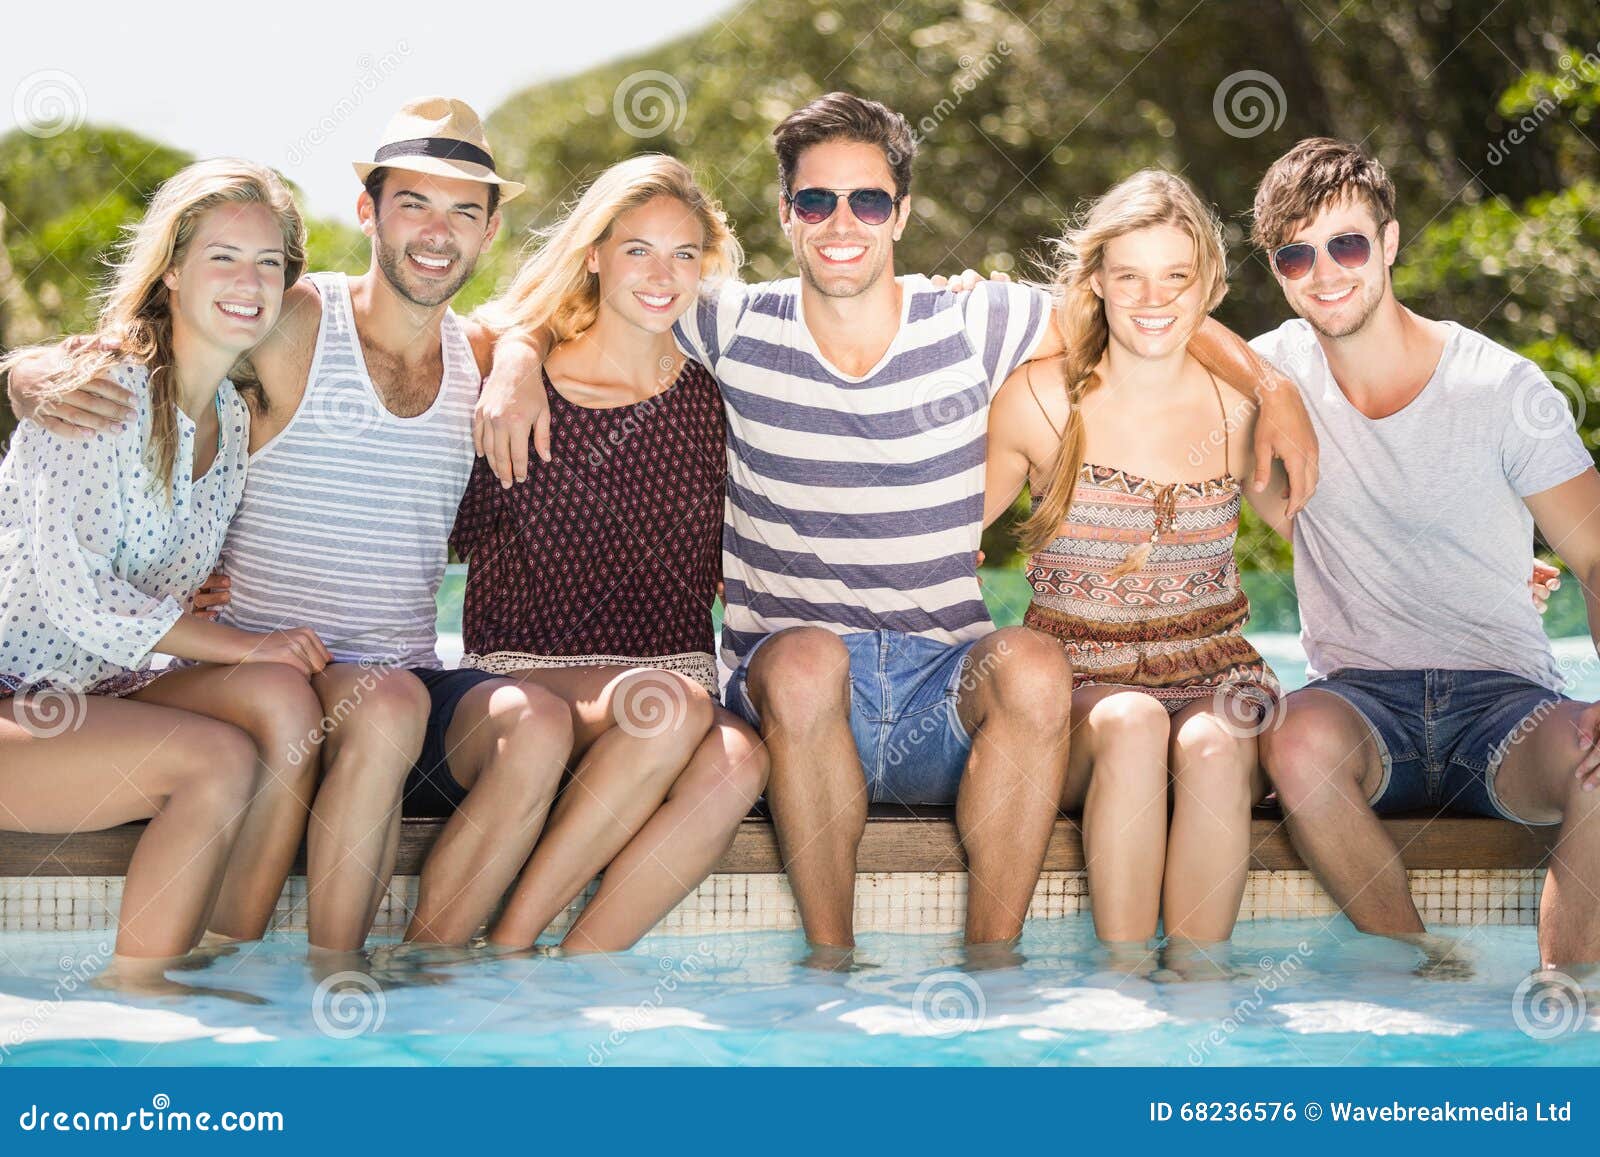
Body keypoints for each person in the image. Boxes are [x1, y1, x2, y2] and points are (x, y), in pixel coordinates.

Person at [474, 92, 1324, 956]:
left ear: (902, 214)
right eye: (817, 201)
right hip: (793, 686)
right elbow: (594, 293)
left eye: (868, 201)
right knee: (808, 660)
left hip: (940, 688)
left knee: (1033, 661)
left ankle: (992, 959)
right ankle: (830, 960)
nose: (842, 222)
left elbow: (1144, 311)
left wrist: (1273, 387)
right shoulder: (728, 321)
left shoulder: (980, 321)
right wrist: (516, 356)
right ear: (787, 214)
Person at [7, 98, 574, 954]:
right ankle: (250, 974)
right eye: (414, 201)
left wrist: (523, 358)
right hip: (87, 691)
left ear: (491, 230)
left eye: (464, 209)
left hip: (217, 679)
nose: (436, 229)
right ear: (369, 211)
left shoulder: (469, 362)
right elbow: (147, 358)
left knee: (433, 710)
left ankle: (329, 972)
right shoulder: (276, 328)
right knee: (304, 721)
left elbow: (532, 322)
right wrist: (20, 367)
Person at [1247, 138, 1600, 971]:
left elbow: (1593, 551)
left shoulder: (1501, 389)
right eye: (1296, 254)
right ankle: (1422, 963)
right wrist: (1266, 390)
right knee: (1290, 737)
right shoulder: (1271, 369)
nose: (1324, 273)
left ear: (1391, 242)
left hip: (1506, 705)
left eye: (1347, 244)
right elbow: (1147, 329)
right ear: (1277, 269)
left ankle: (1561, 1003)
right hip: (1361, 703)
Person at [0, 159, 328, 986]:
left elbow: (147, 594)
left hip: (99, 693)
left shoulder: (229, 421)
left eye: (269, 263)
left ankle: (226, 961)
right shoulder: (100, 388)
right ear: (173, 271)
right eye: (224, 257)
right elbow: (79, 597)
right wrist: (242, 644)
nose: (250, 281)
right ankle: (136, 997)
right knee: (216, 759)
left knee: (286, 700)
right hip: (14, 698)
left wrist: (208, 618)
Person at [450, 154, 767, 953]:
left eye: (684, 255)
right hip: (522, 687)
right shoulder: (507, 381)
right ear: (593, 253)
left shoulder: (713, 395)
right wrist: (521, 352)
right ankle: (510, 946)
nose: (663, 275)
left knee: (740, 762)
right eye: (638, 250)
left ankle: (574, 967)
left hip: (675, 688)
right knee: (674, 708)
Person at [985, 169, 1278, 955]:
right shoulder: (1042, 400)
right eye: (1131, 277)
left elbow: (1335, 531)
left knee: (1215, 742)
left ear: (1209, 284)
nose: (1155, 300)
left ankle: (1197, 983)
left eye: (1177, 277)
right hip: (1083, 687)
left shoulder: (1240, 409)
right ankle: (1120, 984)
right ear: (1098, 283)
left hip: (1217, 670)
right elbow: (935, 535)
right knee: (1135, 718)